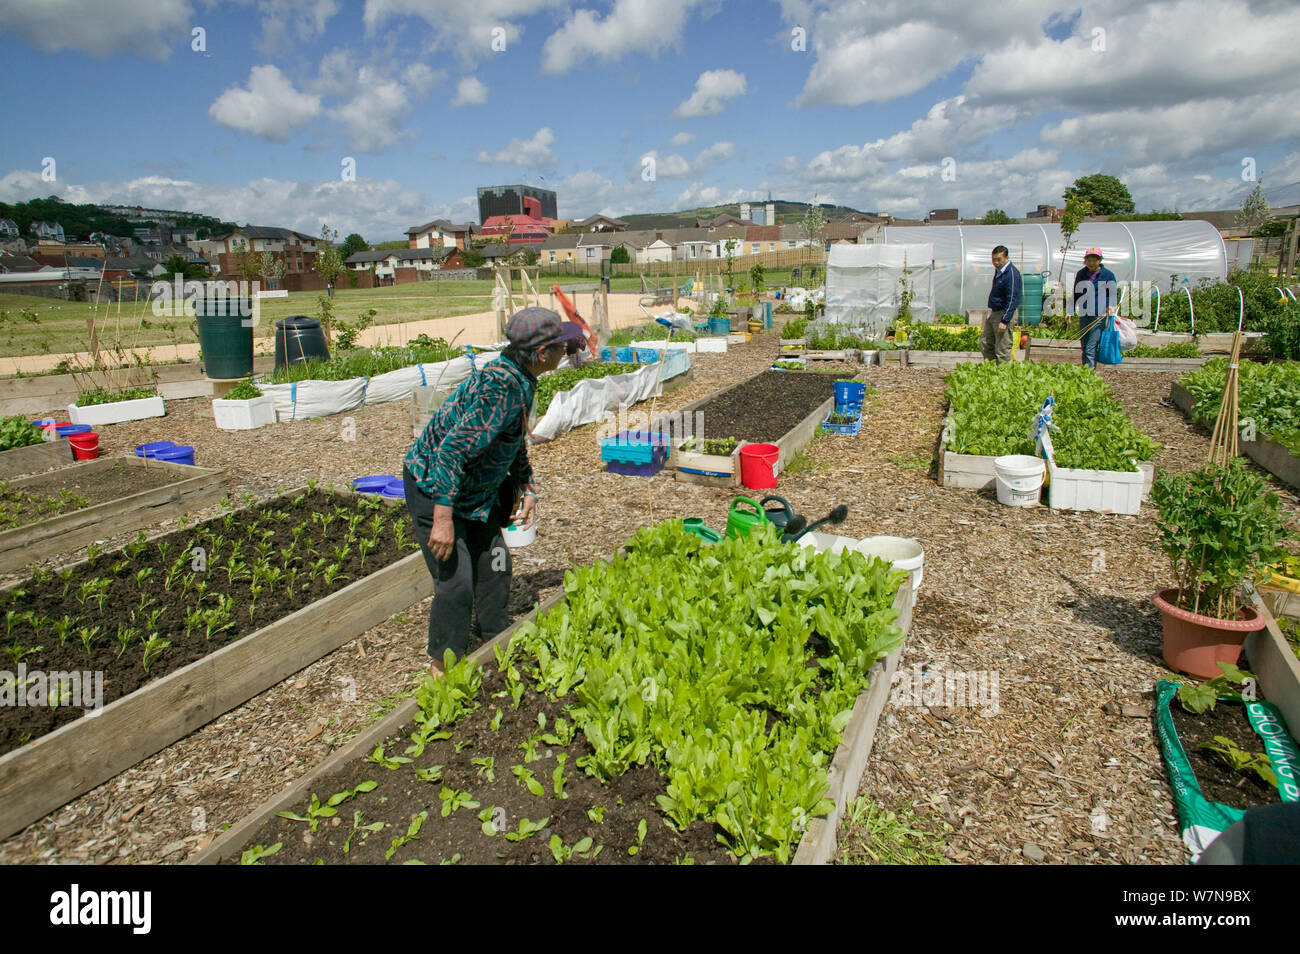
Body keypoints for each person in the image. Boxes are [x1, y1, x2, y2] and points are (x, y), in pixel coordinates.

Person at [402, 307, 567, 680]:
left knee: (495, 564)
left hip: (473, 493)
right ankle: (443, 669)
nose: (567, 351)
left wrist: (527, 485)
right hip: (436, 488)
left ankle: (496, 638)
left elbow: (511, 439)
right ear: (542, 354)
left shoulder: (520, 377)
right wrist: (443, 520)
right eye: (561, 346)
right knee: (456, 584)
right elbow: (450, 452)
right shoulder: (502, 387)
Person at [1071, 248, 1118, 369]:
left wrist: (1110, 306)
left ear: (1099, 261)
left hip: (1099, 315)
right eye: (1089, 260)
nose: (1091, 263)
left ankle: (1090, 377)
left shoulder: (1108, 275)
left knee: (1091, 348)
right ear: (1085, 261)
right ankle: (1085, 372)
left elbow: (1112, 294)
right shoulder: (1081, 274)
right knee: (1084, 346)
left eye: (1094, 260)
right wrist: (1070, 310)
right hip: (1084, 313)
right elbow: (1076, 293)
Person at [981, 245, 1021, 364]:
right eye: (994, 260)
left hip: (1004, 313)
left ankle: (1003, 376)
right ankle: (992, 369)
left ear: (1006, 258)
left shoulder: (1011, 274)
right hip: (995, 312)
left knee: (1002, 347)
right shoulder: (999, 272)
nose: (996, 262)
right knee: (985, 342)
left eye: (999, 259)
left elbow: (1013, 298)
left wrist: (1005, 320)